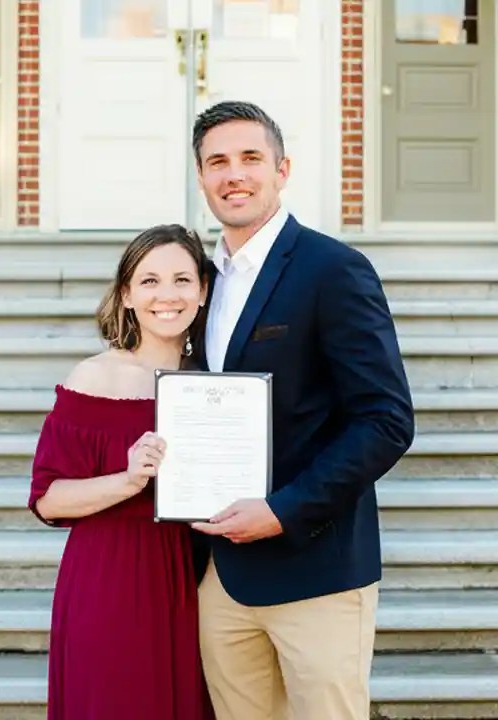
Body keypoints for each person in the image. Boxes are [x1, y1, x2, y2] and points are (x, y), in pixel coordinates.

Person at [188, 101, 415, 719]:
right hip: (221, 573)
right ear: (202, 177)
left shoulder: (332, 269)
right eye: (217, 162)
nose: (234, 174)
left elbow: (387, 421)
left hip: (317, 567)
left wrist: (283, 510)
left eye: (250, 158)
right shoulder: (200, 284)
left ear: (282, 169)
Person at [28, 224, 216, 719]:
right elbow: (48, 498)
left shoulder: (216, 384)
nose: (167, 296)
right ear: (127, 295)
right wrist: (128, 480)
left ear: (202, 291)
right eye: (149, 281)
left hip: (197, 577)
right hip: (113, 576)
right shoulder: (97, 376)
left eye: (181, 279)